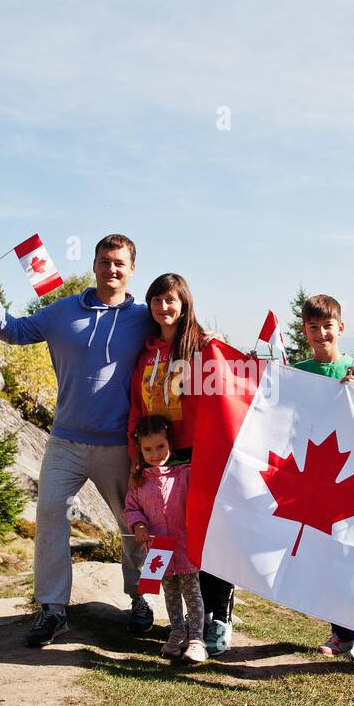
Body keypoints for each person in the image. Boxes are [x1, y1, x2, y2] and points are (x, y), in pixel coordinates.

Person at [0, 235, 155, 647]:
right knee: (51, 517)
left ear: (131, 269)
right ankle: (53, 609)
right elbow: (14, 332)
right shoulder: (62, 311)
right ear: (94, 264)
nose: (112, 269)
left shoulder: (144, 318)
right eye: (105, 261)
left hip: (120, 446)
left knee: (133, 526)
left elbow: (186, 340)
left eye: (120, 263)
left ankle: (141, 598)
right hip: (66, 442)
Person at [127, 273, 237, 655]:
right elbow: (136, 411)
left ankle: (216, 618)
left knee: (208, 538)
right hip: (157, 461)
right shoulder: (145, 355)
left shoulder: (202, 348)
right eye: (156, 300)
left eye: (171, 300)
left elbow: (234, 382)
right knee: (168, 538)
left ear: (184, 303)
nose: (164, 307)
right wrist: (136, 459)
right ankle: (181, 626)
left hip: (197, 457)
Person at [291, 293, 354, 664]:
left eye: (327, 326)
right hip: (317, 475)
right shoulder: (297, 372)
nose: (321, 333)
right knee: (332, 556)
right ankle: (342, 634)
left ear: (341, 328)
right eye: (313, 328)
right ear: (304, 331)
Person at [124, 415, 207, 664]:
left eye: (160, 446)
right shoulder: (139, 480)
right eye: (148, 449)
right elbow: (131, 508)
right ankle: (177, 632)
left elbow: (199, 501)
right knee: (170, 593)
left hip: (185, 546)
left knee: (192, 593)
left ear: (170, 442)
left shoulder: (184, 473)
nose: (155, 453)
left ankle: (196, 639)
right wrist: (138, 524)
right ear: (139, 449)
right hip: (158, 549)